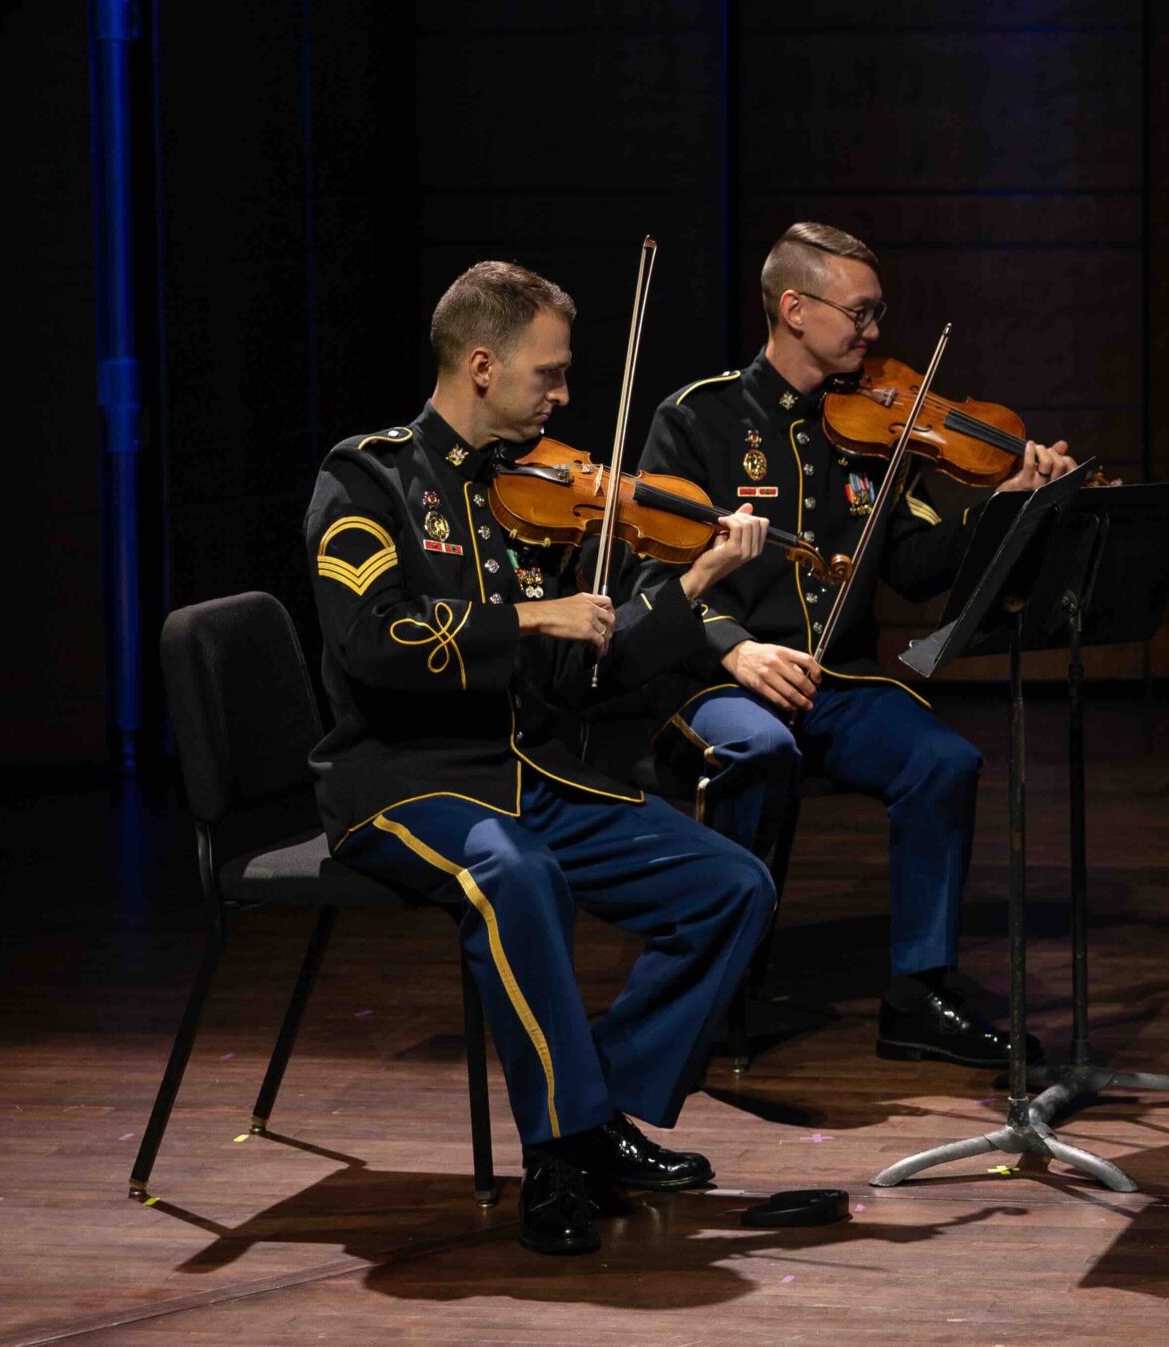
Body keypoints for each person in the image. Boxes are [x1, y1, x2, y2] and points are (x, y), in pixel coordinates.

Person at [306, 260, 777, 1256]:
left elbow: (574, 683)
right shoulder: (367, 477)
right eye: (548, 374)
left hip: (527, 770)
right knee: (512, 871)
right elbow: (373, 643)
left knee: (731, 884)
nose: (564, 396)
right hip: (402, 779)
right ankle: (558, 1153)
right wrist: (530, 616)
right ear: (482, 365)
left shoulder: (534, 493)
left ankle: (594, 1109)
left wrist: (690, 582)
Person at [639, 222, 1075, 1067]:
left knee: (942, 760)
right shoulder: (698, 418)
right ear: (794, 308)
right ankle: (718, 981)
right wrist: (736, 649)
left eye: (877, 314)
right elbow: (649, 573)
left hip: (834, 681)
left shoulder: (881, 430)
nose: (874, 333)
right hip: (716, 677)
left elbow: (911, 567)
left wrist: (1004, 505)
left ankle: (918, 994)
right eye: (859, 312)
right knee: (758, 746)